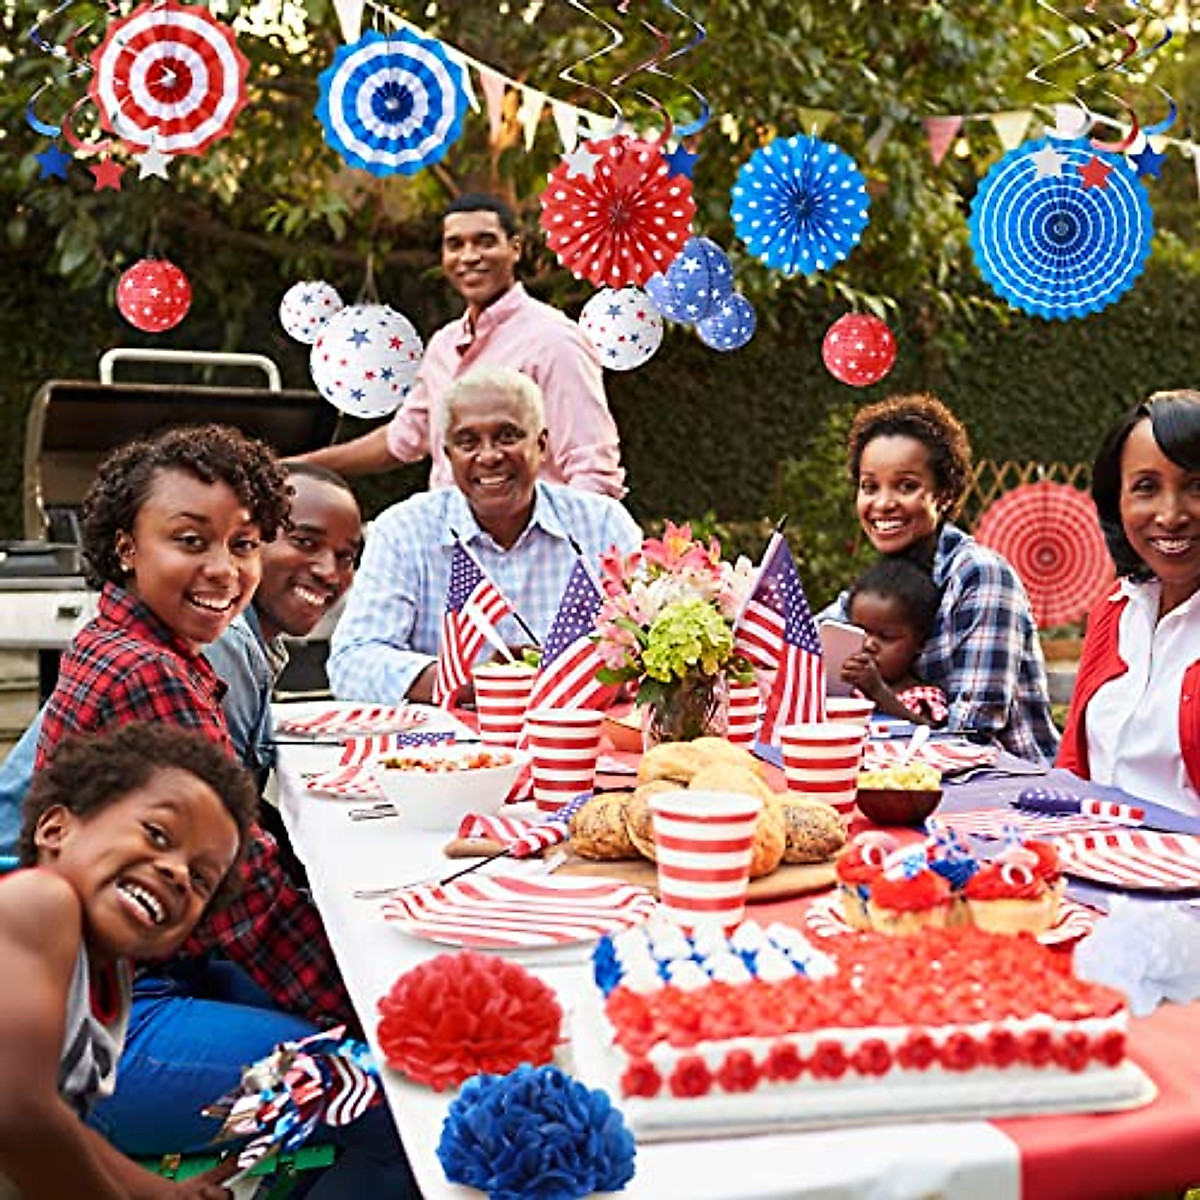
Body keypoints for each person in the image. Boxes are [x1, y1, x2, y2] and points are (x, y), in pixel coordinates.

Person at [31, 426, 416, 1193]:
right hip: (103, 1031)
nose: (224, 570)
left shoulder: (131, 639)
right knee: (388, 1092)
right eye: (189, 540)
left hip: (120, 982)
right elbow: (245, 901)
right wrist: (389, 1009)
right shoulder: (155, 676)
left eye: (244, 544)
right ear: (124, 546)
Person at [0, 463, 363, 836]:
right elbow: (219, 829)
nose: (329, 572)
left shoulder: (233, 638)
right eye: (305, 541)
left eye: (346, 557)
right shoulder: (221, 643)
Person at [0, 723, 257, 1199]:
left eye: (202, 880)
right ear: (56, 830)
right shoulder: (40, 902)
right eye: (157, 834)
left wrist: (162, 1192)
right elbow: (17, 1112)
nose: (178, 872)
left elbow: (64, 1125)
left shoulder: (110, 978)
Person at [329, 365, 642, 704]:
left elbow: (649, 649)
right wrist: (476, 682)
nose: (489, 456)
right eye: (468, 441)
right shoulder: (403, 531)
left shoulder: (602, 524)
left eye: (507, 436)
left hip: (578, 740)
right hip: (446, 752)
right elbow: (352, 663)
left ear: (541, 445)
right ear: (448, 456)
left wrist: (579, 675)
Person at [295, 192, 626, 497]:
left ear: (515, 248)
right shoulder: (444, 345)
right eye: (455, 245)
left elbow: (594, 473)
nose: (469, 257)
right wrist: (299, 468)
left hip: (529, 551)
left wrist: (559, 552)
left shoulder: (554, 342)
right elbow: (403, 440)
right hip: (448, 546)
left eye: (485, 242)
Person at [824, 393, 1059, 762]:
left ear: (945, 494)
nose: (883, 503)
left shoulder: (980, 577)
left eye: (905, 486)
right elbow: (805, 649)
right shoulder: (880, 582)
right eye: (870, 486)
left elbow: (972, 733)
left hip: (1005, 787)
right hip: (905, 776)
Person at [1057, 390, 1200, 813]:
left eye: (1197, 486)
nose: (1170, 514)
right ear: (1116, 502)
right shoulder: (1116, 608)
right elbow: (1073, 765)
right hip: (1096, 864)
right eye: (1145, 487)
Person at [840, 558, 948, 725]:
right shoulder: (843, 686)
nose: (869, 644)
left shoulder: (922, 696)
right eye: (860, 631)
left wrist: (877, 692)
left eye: (886, 636)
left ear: (919, 643)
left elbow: (931, 733)